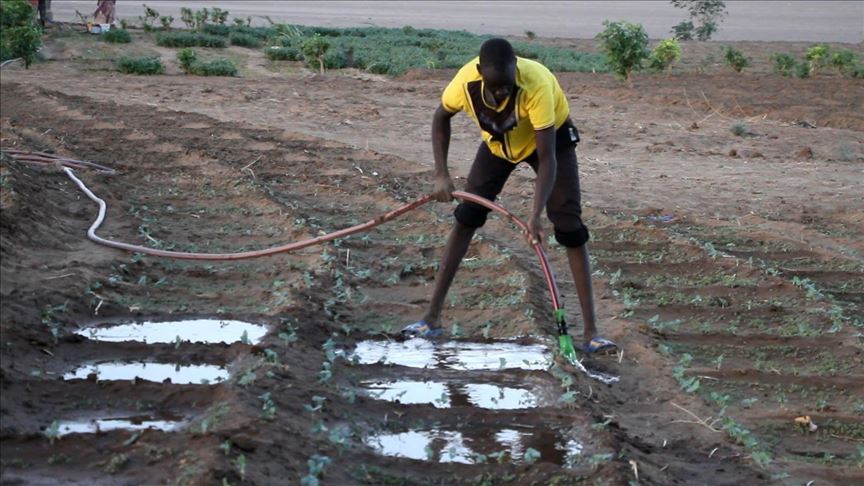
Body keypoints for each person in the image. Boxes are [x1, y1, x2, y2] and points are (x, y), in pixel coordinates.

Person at [401, 38, 617, 354]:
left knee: (569, 225)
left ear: (517, 66)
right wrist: (441, 174)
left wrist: (534, 215)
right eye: (495, 88)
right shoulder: (465, 81)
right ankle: (430, 318)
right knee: (467, 216)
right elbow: (440, 118)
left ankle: (592, 333)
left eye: (507, 85)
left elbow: (547, 158)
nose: (502, 92)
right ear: (480, 72)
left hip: (549, 143)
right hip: (499, 144)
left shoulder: (537, 83)